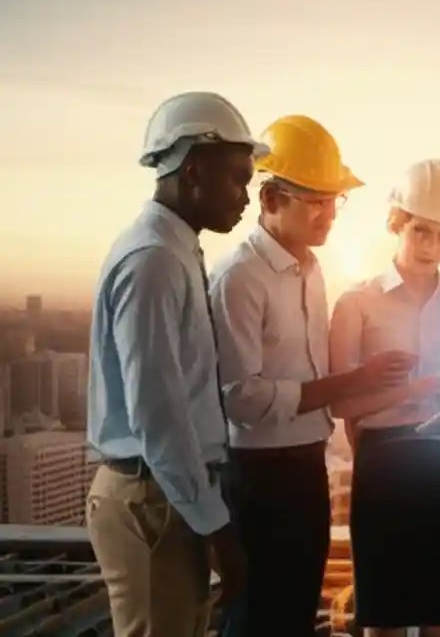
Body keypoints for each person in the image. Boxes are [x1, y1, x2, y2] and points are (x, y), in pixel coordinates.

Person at [208, 115, 420, 636]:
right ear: (272, 199)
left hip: (305, 465)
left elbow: (315, 372)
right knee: (259, 616)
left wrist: (373, 377)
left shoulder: (311, 269)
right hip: (256, 474)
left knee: (296, 612)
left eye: (333, 200)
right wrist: (351, 382)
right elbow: (241, 397)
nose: (328, 215)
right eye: (315, 201)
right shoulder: (240, 278)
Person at [85, 91, 261, 635]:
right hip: (153, 502)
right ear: (194, 172)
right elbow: (157, 415)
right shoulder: (155, 262)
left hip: (165, 496)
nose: (245, 198)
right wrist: (218, 529)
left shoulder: (174, 250)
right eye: (237, 179)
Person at [329, 158, 440, 637]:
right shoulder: (357, 303)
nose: (432, 246)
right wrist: (413, 390)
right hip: (384, 466)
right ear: (396, 222)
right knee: (383, 620)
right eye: (420, 231)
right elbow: (338, 405)